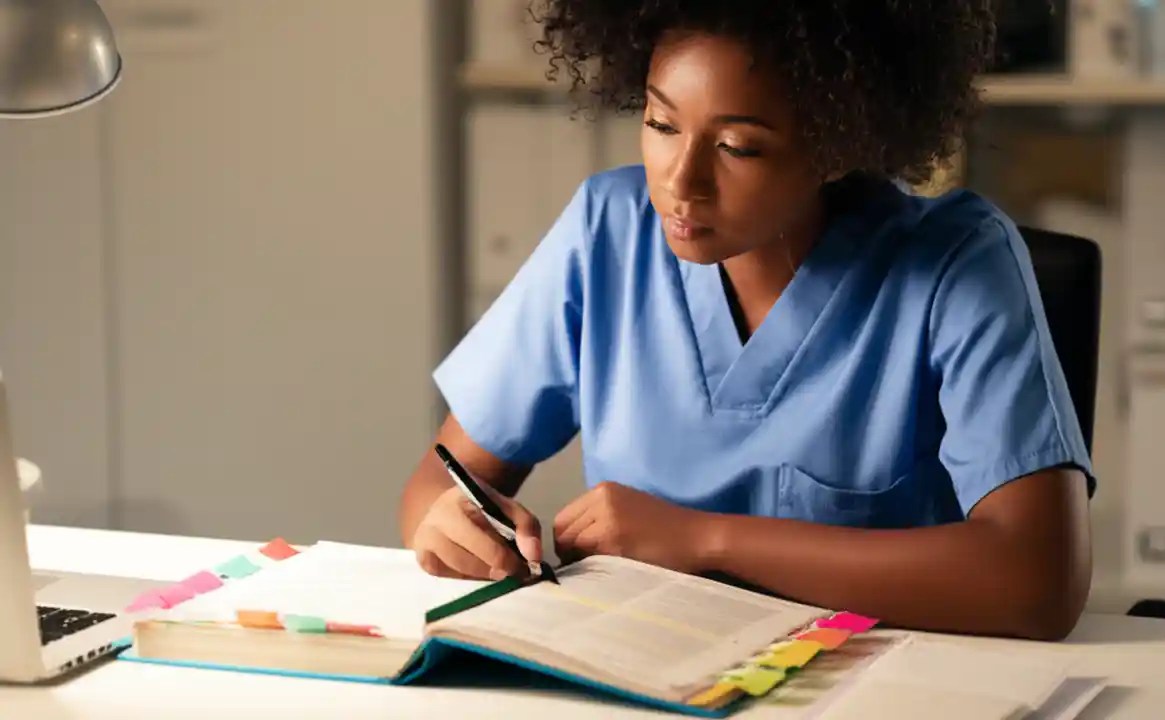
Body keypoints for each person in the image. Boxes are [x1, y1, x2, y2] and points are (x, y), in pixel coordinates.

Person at [399, 0, 1095, 641]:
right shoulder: (605, 231)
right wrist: (453, 524)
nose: (681, 181)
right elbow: (440, 481)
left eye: (737, 147)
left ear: (838, 142)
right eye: (661, 124)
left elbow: (1036, 582)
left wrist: (703, 540)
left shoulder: (957, 263)